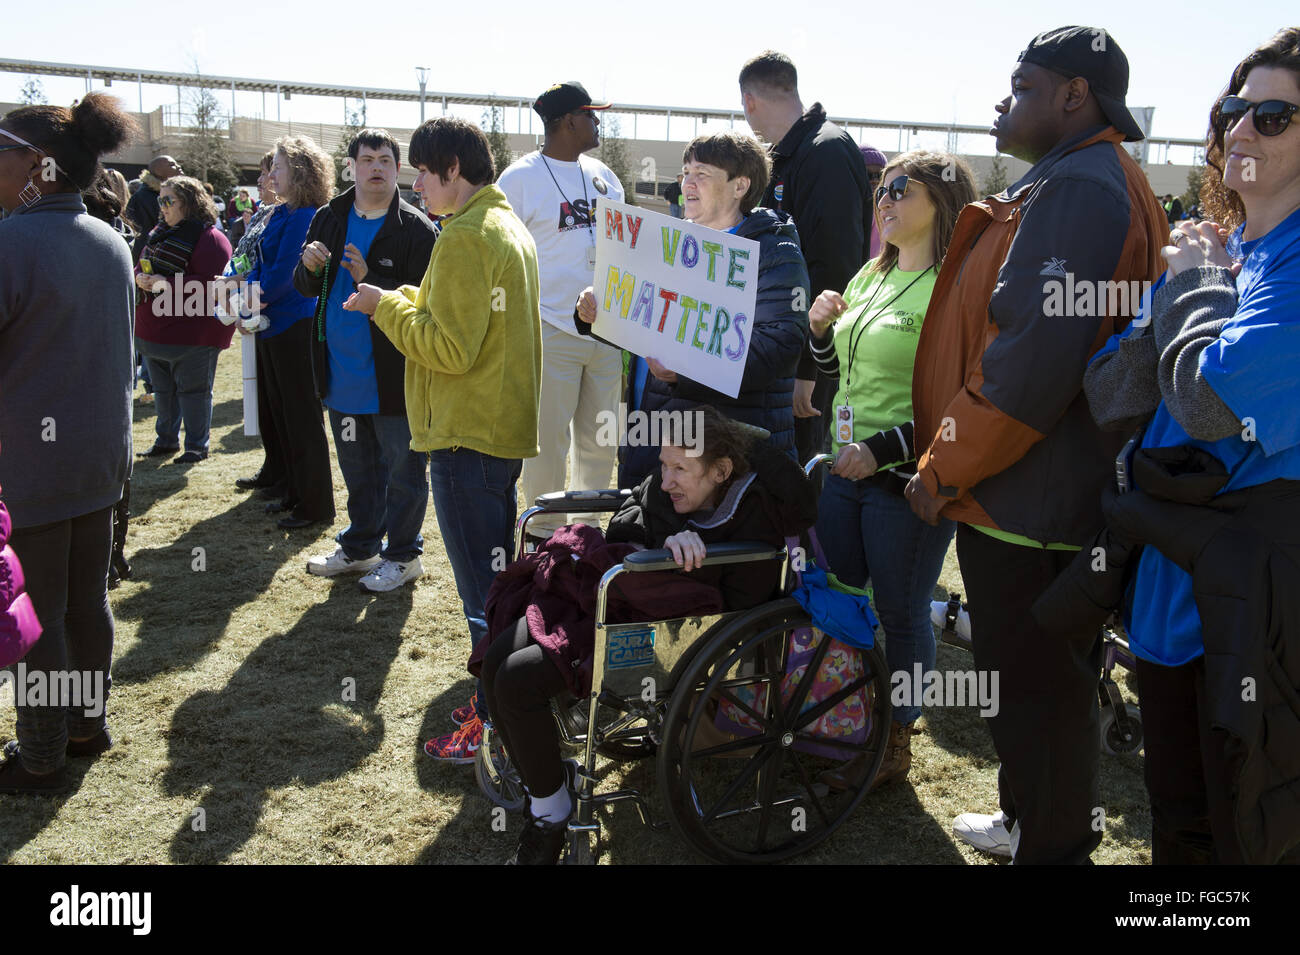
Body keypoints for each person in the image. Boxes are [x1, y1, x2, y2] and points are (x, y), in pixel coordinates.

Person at [904, 26, 1167, 864]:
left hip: (1035, 501)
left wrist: (944, 462)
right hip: (1020, 491)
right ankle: (1026, 823)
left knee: (1043, 700)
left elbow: (1028, 365)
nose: (1001, 101)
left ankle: (1050, 844)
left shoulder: (1086, 187)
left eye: (1020, 86)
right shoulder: (1070, 176)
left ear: (1073, 95)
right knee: (1024, 692)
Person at [1082, 28, 1300, 864]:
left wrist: (1194, 288)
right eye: (1233, 109)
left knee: (1252, 831)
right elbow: (1111, 391)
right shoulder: (1218, 245)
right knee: (1179, 826)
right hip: (1171, 599)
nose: (1241, 128)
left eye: (1273, 115)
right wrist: (1189, 289)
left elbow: (1205, 402)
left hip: (1258, 614)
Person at [475, 406, 818, 864]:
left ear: (720, 471)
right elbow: (628, 515)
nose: (668, 478)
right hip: (617, 605)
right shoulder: (666, 492)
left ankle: (550, 812)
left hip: (670, 632)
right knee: (497, 658)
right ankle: (549, 783)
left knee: (517, 681)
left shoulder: (753, 514)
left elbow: (742, 588)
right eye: (663, 464)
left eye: (681, 468)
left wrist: (698, 547)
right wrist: (662, 541)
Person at [343, 117, 541, 762]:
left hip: (466, 436)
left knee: (482, 596)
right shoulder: (501, 225)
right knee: (498, 583)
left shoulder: (463, 238)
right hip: (493, 433)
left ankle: (498, 726)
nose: (416, 184)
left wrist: (385, 308)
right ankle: (505, 708)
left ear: (453, 168)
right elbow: (462, 318)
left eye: (423, 172)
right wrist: (402, 295)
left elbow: (449, 348)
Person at [808, 150, 977, 791]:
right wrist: (822, 331)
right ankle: (846, 713)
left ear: (943, 201)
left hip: (906, 481)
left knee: (903, 612)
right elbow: (837, 375)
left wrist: (882, 451)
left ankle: (896, 737)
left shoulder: (954, 288)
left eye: (901, 188)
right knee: (845, 601)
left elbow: (961, 400)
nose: (886, 199)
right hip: (841, 473)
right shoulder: (868, 276)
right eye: (882, 189)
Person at [0, 92, 137, 793]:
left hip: (33, 465)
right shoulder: (110, 239)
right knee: (85, 599)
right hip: (99, 459)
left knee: (42, 610)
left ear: (39, 167)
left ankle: (42, 755)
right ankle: (86, 723)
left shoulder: (11, 242)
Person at [575, 131, 810, 487]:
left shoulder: (775, 253)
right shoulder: (666, 242)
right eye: (685, 172)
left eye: (702, 173)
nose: (687, 183)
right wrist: (595, 311)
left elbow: (778, 347)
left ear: (740, 186)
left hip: (727, 451)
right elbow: (641, 320)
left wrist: (684, 372)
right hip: (655, 435)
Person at [295, 129, 438, 592]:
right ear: (352, 167)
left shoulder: (417, 228)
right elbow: (303, 287)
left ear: (399, 170)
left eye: (385, 160)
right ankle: (360, 548)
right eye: (367, 159)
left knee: (403, 471)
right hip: (340, 372)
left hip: (394, 376)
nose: (376, 167)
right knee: (358, 469)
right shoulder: (327, 217)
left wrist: (369, 277)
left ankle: (403, 555)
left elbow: (426, 305)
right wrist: (309, 268)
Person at [498, 82, 624, 540]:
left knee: (599, 443)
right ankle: (542, 538)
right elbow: (501, 258)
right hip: (548, 327)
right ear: (568, 121)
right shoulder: (518, 179)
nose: (598, 123)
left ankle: (585, 536)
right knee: (547, 445)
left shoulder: (606, 176)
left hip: (607, 332)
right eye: (591, 115)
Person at [739, 51, 872, 465]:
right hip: (785, 350)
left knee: (803, 476)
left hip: (810, 361)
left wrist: (808, 370)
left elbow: (834, 266)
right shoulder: (790, 153)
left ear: (749, 102)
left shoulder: (825, 151)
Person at [249, 137, 336, 530]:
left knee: (301, 417)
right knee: (282, 413)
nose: (271, 175)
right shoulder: (283, 213)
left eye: (278, 167)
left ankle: (315, 504)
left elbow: (285, 276)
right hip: (272, 324)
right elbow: (259, 262)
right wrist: (245, 295)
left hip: (294, 325)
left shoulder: (306, 215)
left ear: (298, 171)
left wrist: (250, 299)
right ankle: (294, 492)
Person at [133, 175, 234, 464]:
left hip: (193, 336)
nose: (162, 207)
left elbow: (214, 285)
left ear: (189, 204)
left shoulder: (211, 240)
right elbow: (142, 263)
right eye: (159, 200)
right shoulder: (158, 232)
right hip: (155, 333)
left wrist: (165, 283)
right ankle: (166, 441)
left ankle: (196, 446)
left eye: (168, 201)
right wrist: (140, 276)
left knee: (194, 393)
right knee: (163, 392)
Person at [232, 151, 286, 498]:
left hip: (274, 313)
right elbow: (240, 258)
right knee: (264, 402)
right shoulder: (259, 217)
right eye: (262, 176)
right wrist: (230, 283)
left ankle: (284, 475)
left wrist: (248, 292)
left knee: (280, 405)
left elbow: (276, 271)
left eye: (270, 173)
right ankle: (273, 467)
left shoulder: (285, 216)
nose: (264, 181)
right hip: (254, 310)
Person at [125, 154, 182, 251]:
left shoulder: (172, 194)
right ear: (158, 171)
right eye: (172, 165)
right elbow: (142, 237)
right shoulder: (144, 198)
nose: (179, 167)